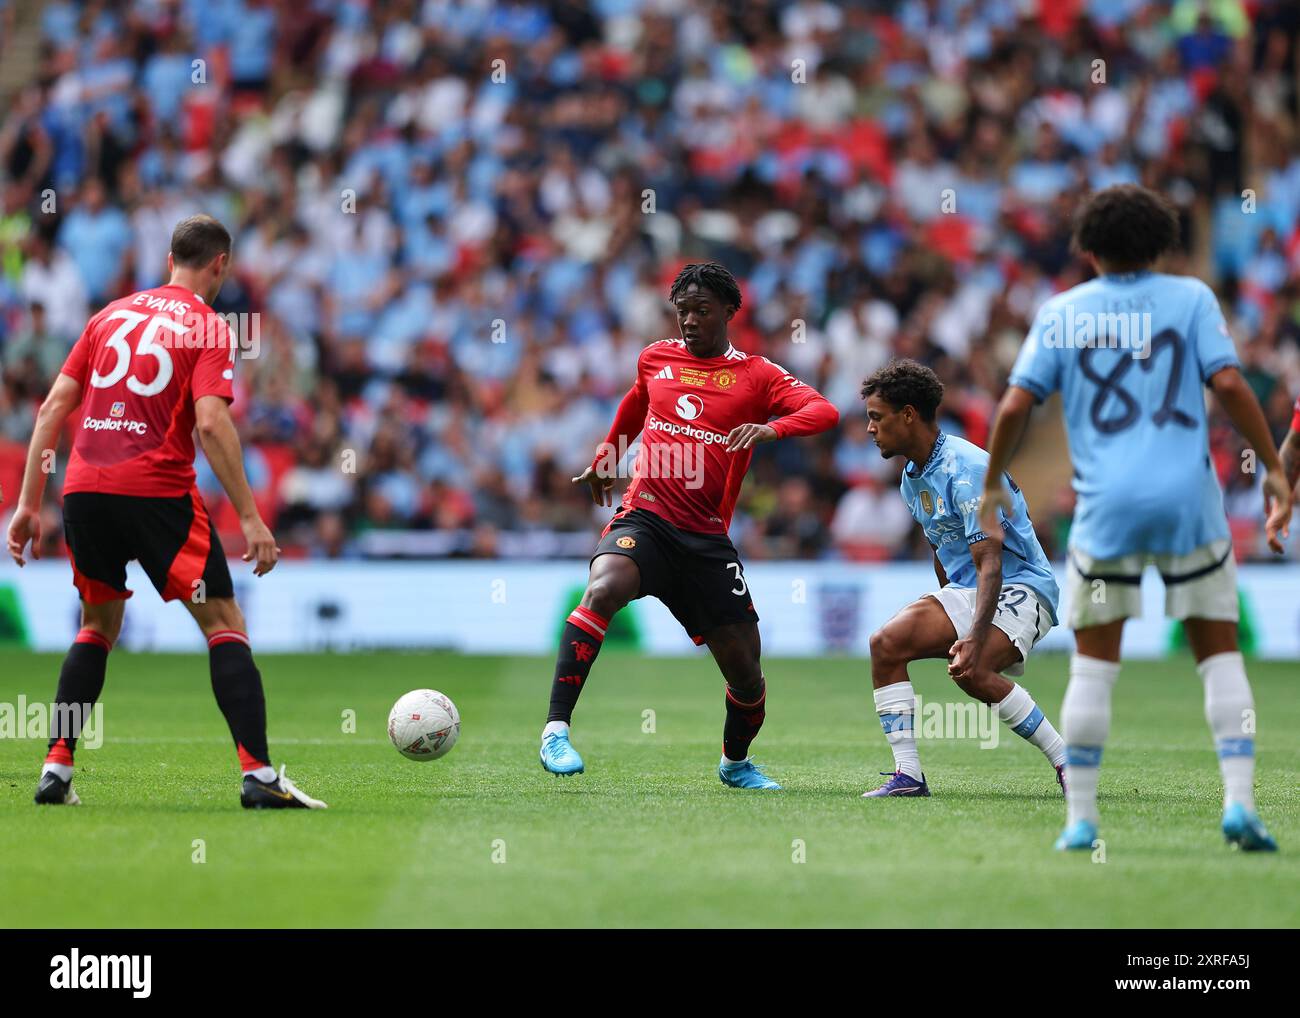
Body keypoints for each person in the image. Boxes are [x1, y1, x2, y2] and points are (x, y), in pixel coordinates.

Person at [980, 184, 1290, 851]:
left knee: (1095, 666)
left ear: (1088, 250)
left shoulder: (1061, 312)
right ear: (1163, 246)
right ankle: (1238, 805)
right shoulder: (1192, 300)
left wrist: (989, 489)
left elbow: (1013, 406)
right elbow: (1231, 385)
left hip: (1106, 508)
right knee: (1218, 654)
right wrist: (1272, 466)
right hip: (1190, 502)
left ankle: (1081, 821)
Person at [6, 214, 325, 810]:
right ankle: (257, 777)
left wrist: (27, 505)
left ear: (168, 260)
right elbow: (210, 422)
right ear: (220, 265)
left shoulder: (109, 315)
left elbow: (52, 408)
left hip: (82, 491)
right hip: (155, 491)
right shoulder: (207, 325)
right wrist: (252, 518)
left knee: (96, 627)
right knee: (224, 622)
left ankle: (56, 769)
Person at [541, 262, 839, 789]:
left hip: (705, 539)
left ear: (728, 312)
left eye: (702, 311)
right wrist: (608, 456)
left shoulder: (757, 374)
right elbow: (637, 402)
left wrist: (773, 429)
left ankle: (736, 763)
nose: (691, 321)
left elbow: (824, 411)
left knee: (747, 673)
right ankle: (555, 731)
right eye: (683, 311)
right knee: (603, 589)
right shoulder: (655, 358)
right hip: (646, 517)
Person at [859, 359, 1066, 797]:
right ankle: (908, 776)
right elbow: (943, 553)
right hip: (969, 588)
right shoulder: (911, 479)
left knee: (972, 670)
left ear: (908, 414)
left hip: (1022, 587)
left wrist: (970, 636)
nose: (870, 428)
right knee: (885, 645)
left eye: (877, 417)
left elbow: (990, 561)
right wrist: (947, 612)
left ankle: (1068, 762)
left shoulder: (966, 468)